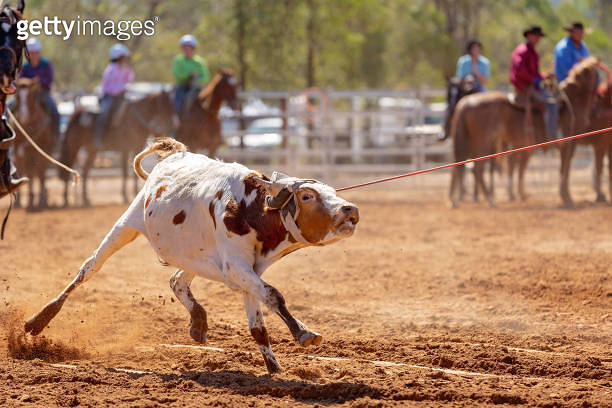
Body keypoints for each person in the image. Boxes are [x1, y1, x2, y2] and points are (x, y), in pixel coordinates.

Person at [510, 26, 558, 140]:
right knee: (552, 104)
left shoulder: (533, 52)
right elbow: (519, 70)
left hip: (531, 85)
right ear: (528, 36)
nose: (537, 38)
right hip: (524, 87)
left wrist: (546, 76)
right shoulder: (522, 50)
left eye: (539, 36)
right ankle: (551, 138)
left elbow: (535, 73)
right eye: (535, 35)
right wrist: (534, 80)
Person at [17, 38, 60, 141]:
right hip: (26, 95)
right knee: (8, 108)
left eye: (35, 52)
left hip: (43, 94)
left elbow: (49, 79)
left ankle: (56, 139)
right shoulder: (25, 67)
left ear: (38, 52)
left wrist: (37, 83)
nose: (33, 55)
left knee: (55, 112)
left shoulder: (46, 64)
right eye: (31, 53)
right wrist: (32, 82)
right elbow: (19, 80)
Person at [93, 44, 134, 148]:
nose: (126, 59)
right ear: (118, 57)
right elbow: (108, 86)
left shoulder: (124, 68)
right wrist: (121, 89)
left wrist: (129, 69)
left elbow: (129, 79)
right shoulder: (110, 69)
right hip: (110, 97)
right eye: (124, 57)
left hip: (122, 97)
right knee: (104, 113)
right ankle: (98, 138)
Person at [172, 34, 210, 115]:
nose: (187, 49)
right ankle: (178, 118)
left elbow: (206, 77)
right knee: (178, 102)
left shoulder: (199, 61)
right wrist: (189, 75)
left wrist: (197, 81)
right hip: (182, 87)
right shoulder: (178, 60)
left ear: (193, 48)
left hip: (197, 88)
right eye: (185, 47)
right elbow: (177, 74)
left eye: (189, 47)